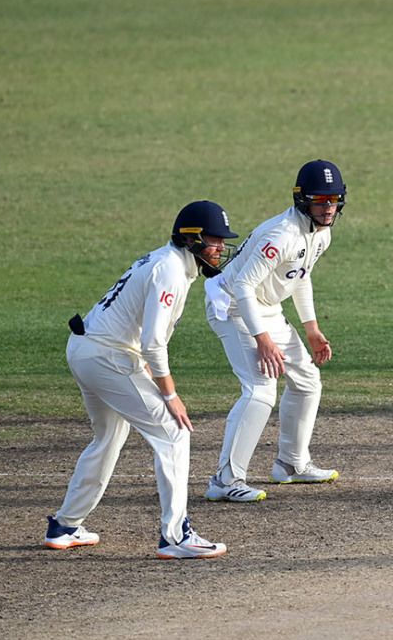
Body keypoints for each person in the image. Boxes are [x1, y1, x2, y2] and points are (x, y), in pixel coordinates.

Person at [47, 201, 236, 559]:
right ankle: (176, 536)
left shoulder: (166, 263)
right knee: (173, 432)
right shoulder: (170, 271)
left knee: (108, 437)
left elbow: (135, 332)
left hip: (88, 350)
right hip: (107, 357)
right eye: (214, 240)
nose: (220, 248)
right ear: (192, 240)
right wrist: (170, 395)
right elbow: (153, 342)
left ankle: (65, 525)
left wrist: (148, 375)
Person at [204, 160, 346, 503]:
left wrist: (311, 328)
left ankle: (291, 464)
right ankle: (225, 480)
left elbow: (300, 275)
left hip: (264, 307)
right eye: (320, 200)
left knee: (307, 380)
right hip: (233, 307)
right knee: (259, 391)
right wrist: (262, 338)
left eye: (333, 200)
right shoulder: (281, 234)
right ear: (302, 199)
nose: (327, 208)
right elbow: (242, 286)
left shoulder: (320, 233)